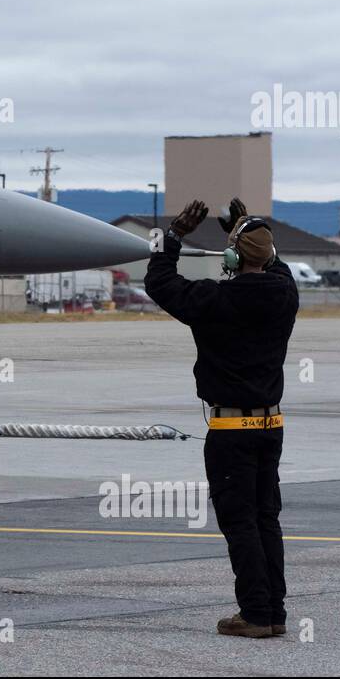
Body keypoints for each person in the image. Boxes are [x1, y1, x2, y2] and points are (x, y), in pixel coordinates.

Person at [144, 197, 299, 639]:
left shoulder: (212, 299)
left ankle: (254, 613)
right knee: (267, 518)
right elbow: (277, 266)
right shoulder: (285, 293)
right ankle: (274, 614)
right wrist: (251, 228)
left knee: (241, 523)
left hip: (231, 431)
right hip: (271, 427)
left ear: (232, 257)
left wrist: (173, 236)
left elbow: (160, 282)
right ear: (269, 257)